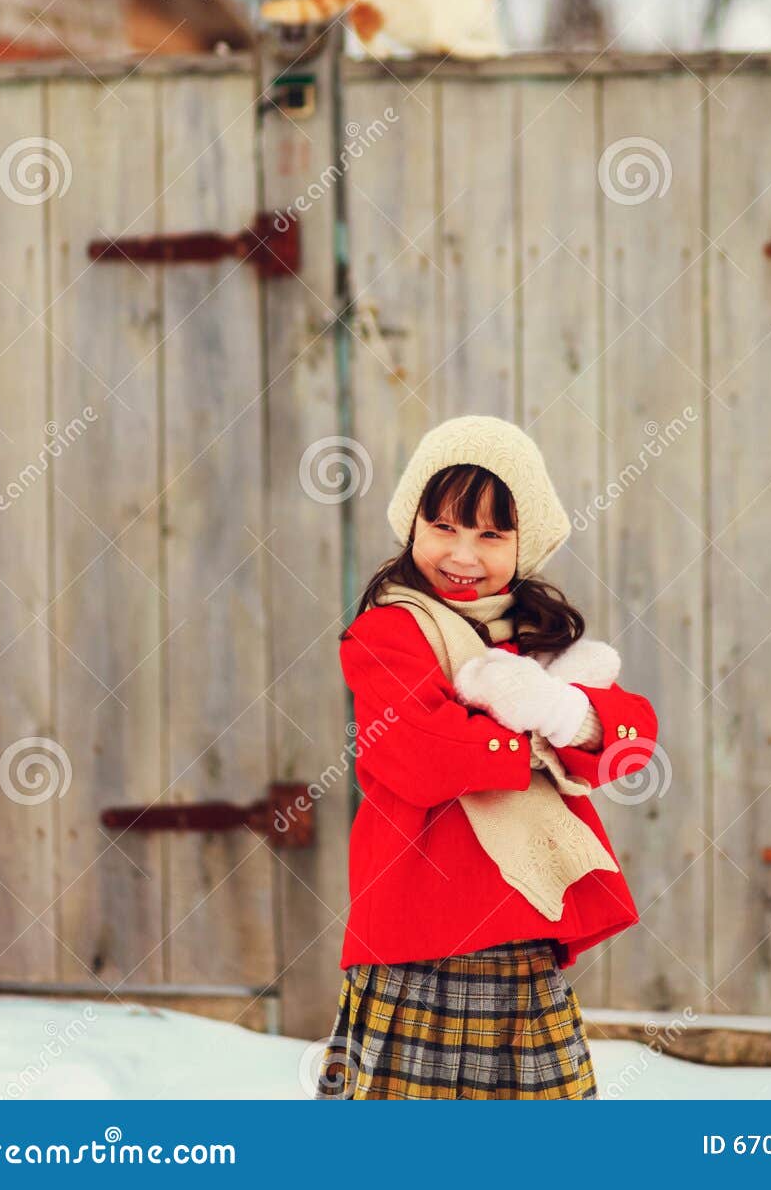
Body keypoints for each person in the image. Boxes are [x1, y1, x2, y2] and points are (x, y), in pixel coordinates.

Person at [313, 414, 659, 1099]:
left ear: (523, 543)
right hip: (420, 933)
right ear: (411, 525)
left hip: (520, 931)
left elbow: (632, 744)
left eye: (490, 535)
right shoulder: (388, 630)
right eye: (443, 527)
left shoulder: (537, 636)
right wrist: (537, 733)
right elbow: (415, 753)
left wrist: (570, 711)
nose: (462, 555)